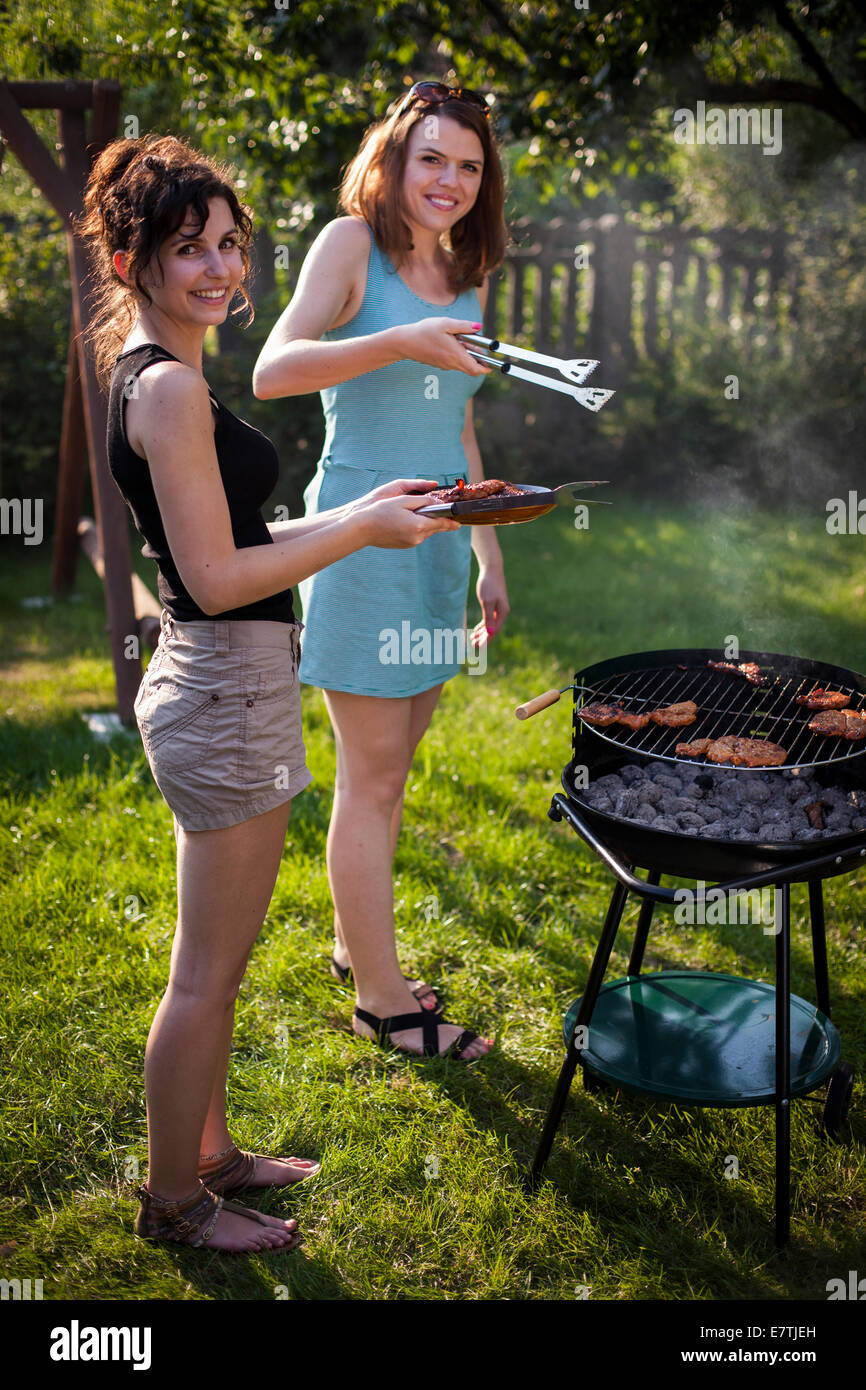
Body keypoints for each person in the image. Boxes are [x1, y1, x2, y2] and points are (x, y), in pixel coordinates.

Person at [76, 132, 460, 1254]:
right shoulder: (172, 394)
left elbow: (233, 545)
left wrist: (357, 508)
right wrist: (358, 530)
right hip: (225, 691)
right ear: (129, 259)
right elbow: (218, 579)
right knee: (204, 974)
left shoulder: (157, 376)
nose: (220, 268)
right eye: (188, 246)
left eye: (230, 244)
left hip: (222, 678)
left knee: (218, 963)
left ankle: (210, 1152)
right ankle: (175, 1203)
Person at [253, 81, 510, 1062]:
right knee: (368, 781)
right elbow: (273, 368)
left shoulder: (465, 271)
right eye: (430, 158)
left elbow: (459, 418)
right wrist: (396, 338)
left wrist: (487, 546)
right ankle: (381, 1002)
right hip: (361, 535)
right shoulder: (347, 244)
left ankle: (355, 946)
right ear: (396, 160)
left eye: (467, 165)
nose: (447, 180)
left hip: (441, 543)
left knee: (393, 776)